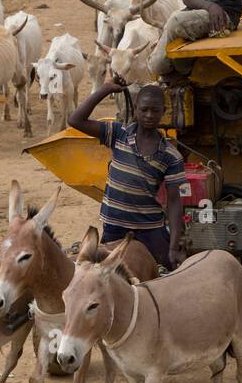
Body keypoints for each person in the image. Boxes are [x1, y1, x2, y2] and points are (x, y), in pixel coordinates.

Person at [67, 81, 188, 269]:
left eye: (155, 110)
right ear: (136, 110)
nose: (149, 115)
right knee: (112, 277)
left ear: (164, 111)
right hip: (115, 227)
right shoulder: (118, 134)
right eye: (144, 109)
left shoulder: (171, 156)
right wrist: (105, 89)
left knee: (162, 275)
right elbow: (75, 120)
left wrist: (173, 246)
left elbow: (174, 202)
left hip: (150, 229)